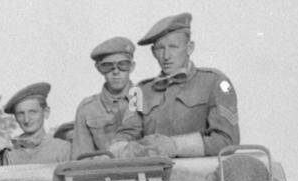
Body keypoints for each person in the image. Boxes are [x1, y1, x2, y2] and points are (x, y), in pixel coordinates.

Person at [110, 13, 238, 158]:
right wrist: (123, 149)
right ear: (153, 52)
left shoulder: (216, 83)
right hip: (153, 171)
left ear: (189, 48)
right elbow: (124, 134)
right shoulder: (139, 91)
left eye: (173, 47)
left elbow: (227, 141)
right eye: (160, 48)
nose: (166, 56)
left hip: (200, 171)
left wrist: (175, 146)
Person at [71, 37, 141, 158]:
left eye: (123, 65)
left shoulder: (145, 98)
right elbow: (82, 158)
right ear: (99, 69)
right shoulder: (87, 109)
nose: (116, 72)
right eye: (108, 66)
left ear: (132, 67)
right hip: (103, 168)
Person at [0, 82, 72, 165]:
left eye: (32, 112)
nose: (26, 120)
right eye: (20, 114)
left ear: (46, 112)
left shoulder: (63, 149)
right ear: (15, 118)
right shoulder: (8, 155)